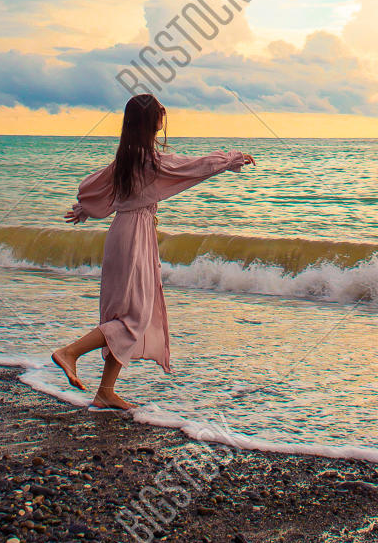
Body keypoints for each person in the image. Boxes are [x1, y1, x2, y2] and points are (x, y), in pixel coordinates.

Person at [51, 93, 254, 409]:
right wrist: (230, 159)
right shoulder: (149, 160)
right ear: (149, 122)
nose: (163, 116)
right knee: (134, 317)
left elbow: (97, 188)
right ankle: (70, 352)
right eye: (159, 112)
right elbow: (191, 167)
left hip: (122, 233)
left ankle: (105, 391)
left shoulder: (127, 157)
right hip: (135, 237)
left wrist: (85, 210)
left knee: (125, 315)